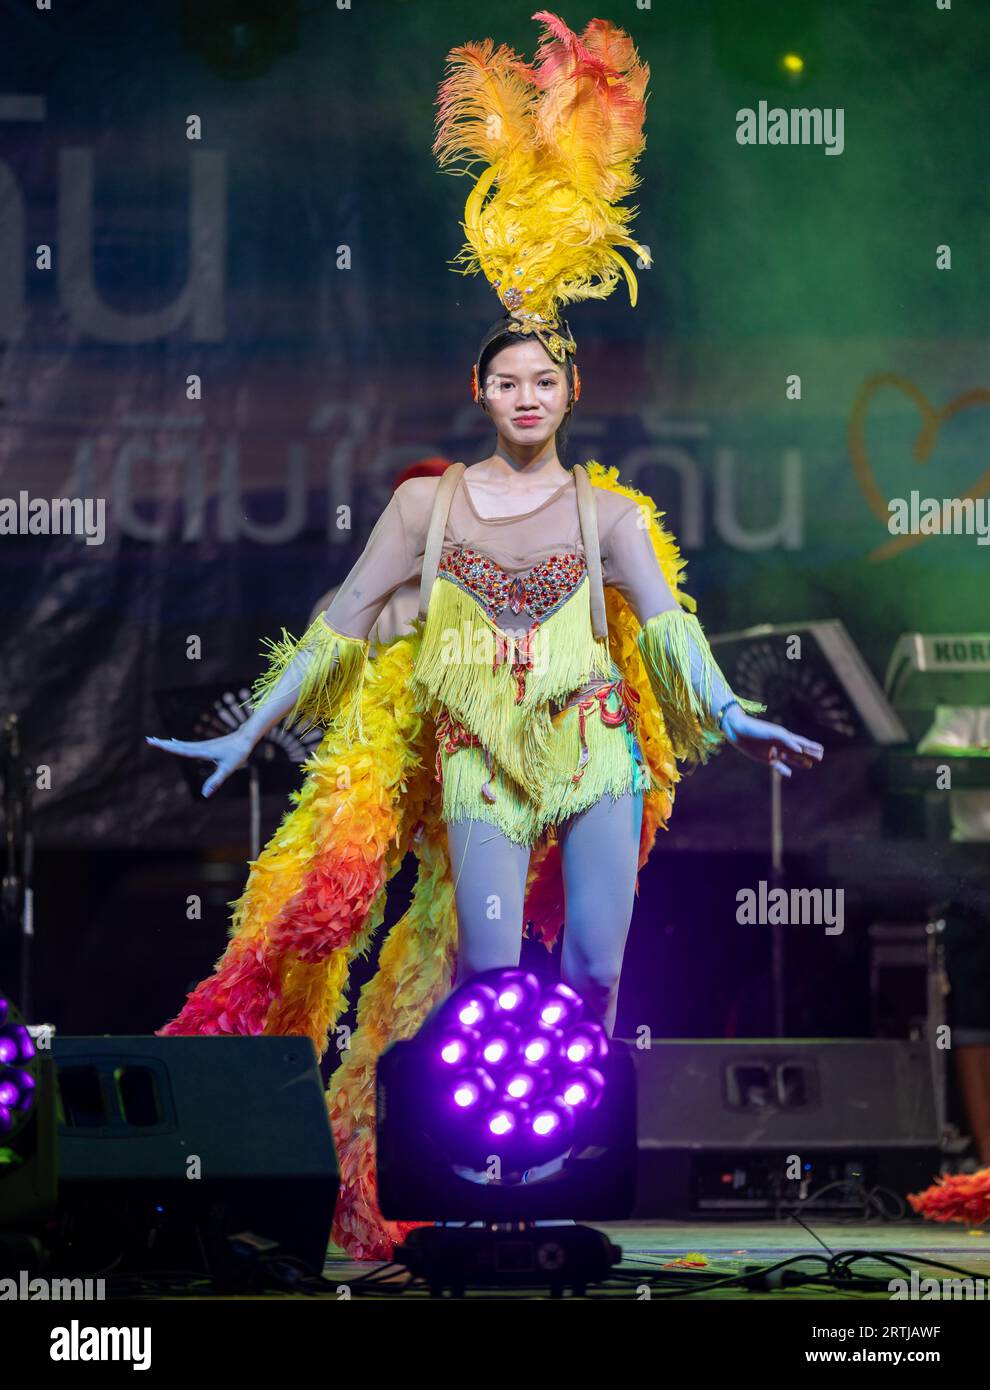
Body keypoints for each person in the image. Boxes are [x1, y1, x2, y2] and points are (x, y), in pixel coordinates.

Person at [145, 13, 823, 1261]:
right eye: (506, 381)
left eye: (543, 382)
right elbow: (345, 619)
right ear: (482, 392)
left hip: (591, 745)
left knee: (600, 979)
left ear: (568, 394)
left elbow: (669, 633)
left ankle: (566, 1168)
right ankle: (486, 1191)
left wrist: (732, 713)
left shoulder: (609, 509)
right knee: (488, 990)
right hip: (478, 759)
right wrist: (247, 726)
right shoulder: (427, 505)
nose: (525, 396)